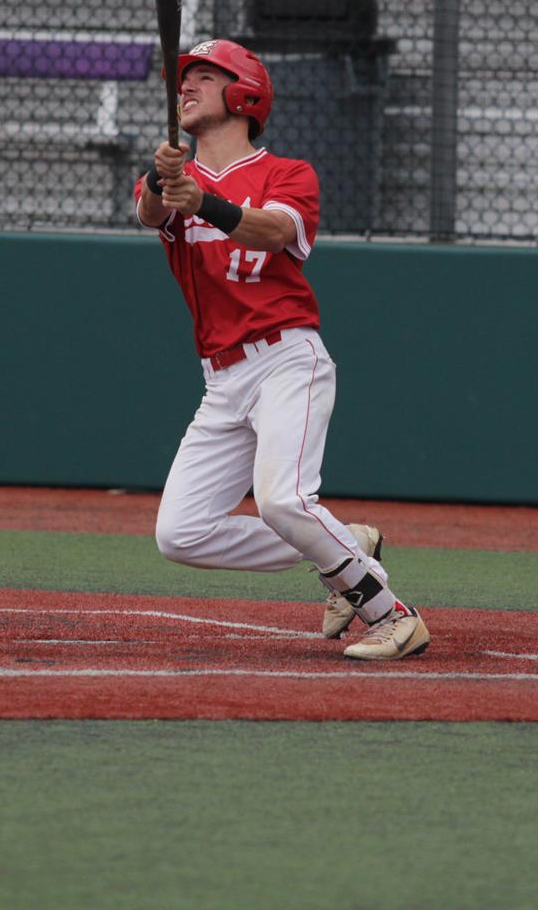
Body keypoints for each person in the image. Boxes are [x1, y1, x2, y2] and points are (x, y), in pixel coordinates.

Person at [135, 38, 429, 661]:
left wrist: (206, 203)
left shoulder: (288, 173)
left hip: (285, 360)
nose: (186, 87)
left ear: (243, 94)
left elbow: (275, 231)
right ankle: (345, 544)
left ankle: (393, 615)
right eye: (184, 79)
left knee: (281, 500)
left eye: (205, 77)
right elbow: (149, 211)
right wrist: (169, 179)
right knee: (180, 534)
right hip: (221, 381)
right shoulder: (170, 180)